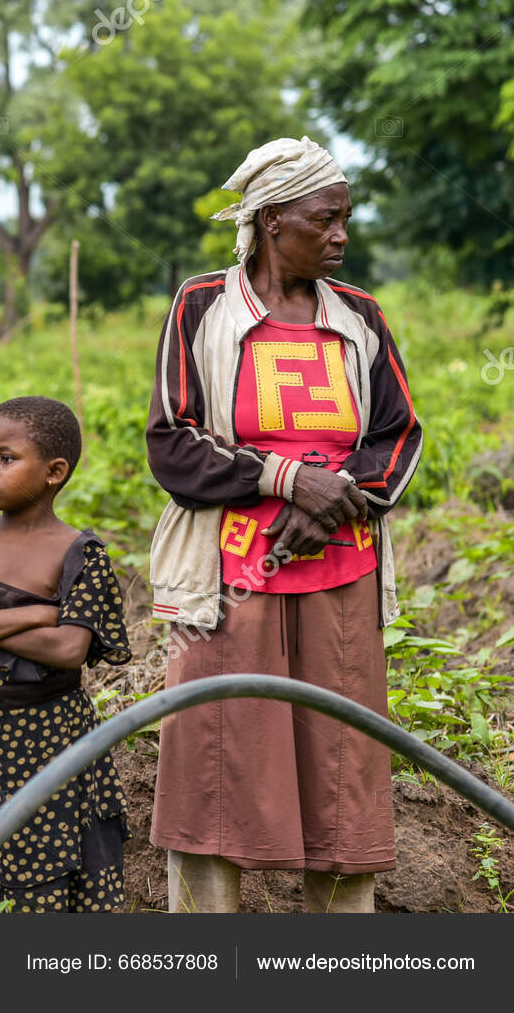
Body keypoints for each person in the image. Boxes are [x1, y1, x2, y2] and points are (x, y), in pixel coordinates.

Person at [146, 136, 423, 913]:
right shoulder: (203, 306)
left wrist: (337, 501)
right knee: (215, 759)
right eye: (325, 220)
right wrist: (284, 480)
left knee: (342, 769)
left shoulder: (360, 315)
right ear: (271, 222)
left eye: (345, 219)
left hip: (342, 575)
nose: (341, 235)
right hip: (232, 579)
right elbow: (173, 443)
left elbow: (397, 436)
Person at [0, 397, 131, 912]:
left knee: (50, 869)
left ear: (54, 472)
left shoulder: (81, 554)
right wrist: (34, 615)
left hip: (53, 740)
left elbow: (67, 647)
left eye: (6, 458)